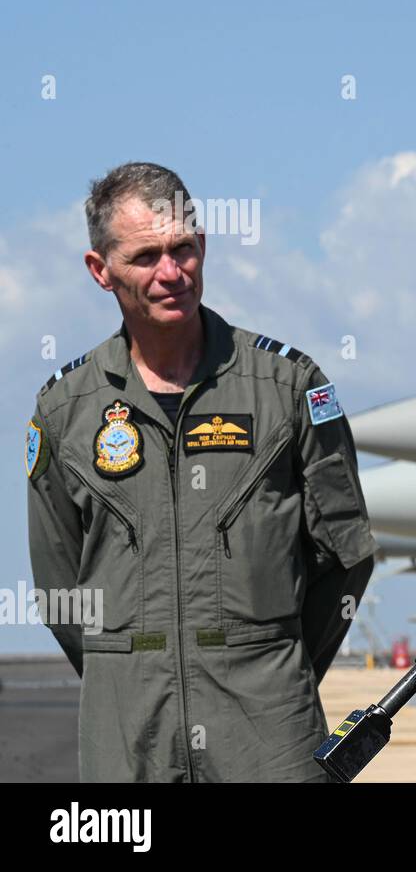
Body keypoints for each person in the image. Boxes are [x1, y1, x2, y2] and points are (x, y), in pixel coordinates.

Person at [26, 162, 378, 782]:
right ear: (100, 271)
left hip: (269, 733)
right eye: (145, 257)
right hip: (127, 734)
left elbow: (345, 557)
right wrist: (129, 667)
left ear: (204, 245)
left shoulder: (288, 387)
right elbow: (60, 588)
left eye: (183, 248)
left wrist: (274, 663)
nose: (171, 273)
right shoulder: (65, 410)